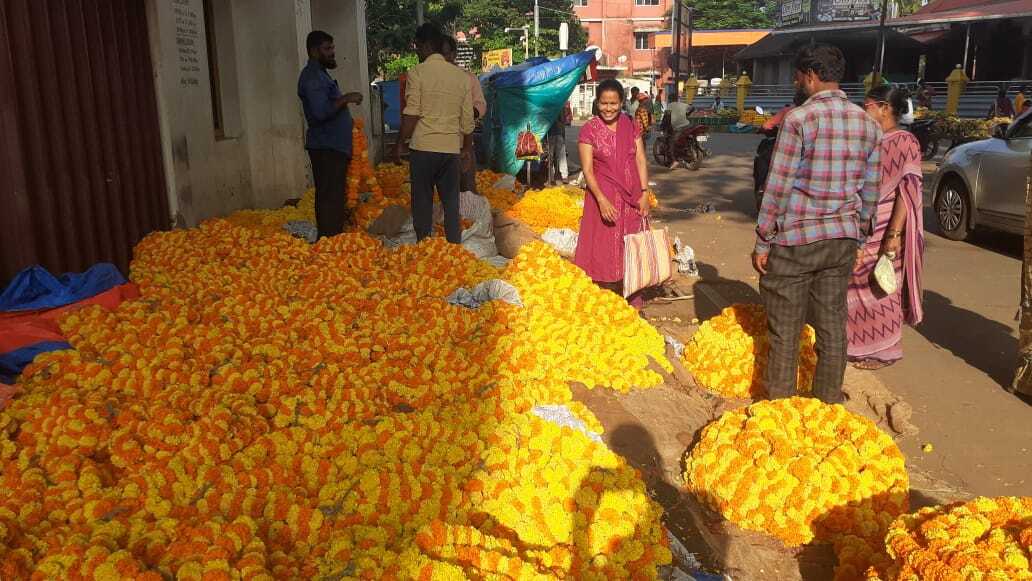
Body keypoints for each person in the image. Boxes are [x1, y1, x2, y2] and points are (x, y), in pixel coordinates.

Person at [751, 44, 882, 404]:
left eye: (797, 76)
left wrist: (763, 241)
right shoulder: (868, 124)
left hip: (797, 239)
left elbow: (778, 186)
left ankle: (780, 412)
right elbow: (871, 191)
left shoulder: (799, 120)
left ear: (810, 75)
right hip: (841, 238)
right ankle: (827, 405)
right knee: (831, 326)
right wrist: (860, 240)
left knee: (785, 331)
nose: (797, 83)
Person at [846, 85, 925, 370]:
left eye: (868, 106)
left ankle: (885, 351)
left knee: (881, 287)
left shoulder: (905, 142)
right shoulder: (869, 139)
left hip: (886, 224)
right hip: (860, 222)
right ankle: (855, 346)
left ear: (885, 108)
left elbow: (907, 194)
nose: (863, 110)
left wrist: (893, 234)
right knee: (853, 286)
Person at [574, 79, 652, 308]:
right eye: (604, 103)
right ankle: (603, 297)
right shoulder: (590, 130)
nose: (609, 108)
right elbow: (588, 170)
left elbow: (640, 159)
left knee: (631, 244)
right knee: (603, 247)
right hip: (603, 195)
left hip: (632, 196)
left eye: (614, 103)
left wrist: (645, 192)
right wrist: (601, 200)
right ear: (597, 103)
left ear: (621, 103)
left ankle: (632, 294)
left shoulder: (630, 125)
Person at [394, 24, 474, 244]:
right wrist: (466, 149)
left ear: (427, 46)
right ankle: (453, 248)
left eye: (418, 47)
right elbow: (467, 120)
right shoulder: (460, 77)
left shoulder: (417, 73)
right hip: (450, 150)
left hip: (423, 149)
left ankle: (424, 247)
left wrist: (400, 143)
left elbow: (412, 113)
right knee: (451, 204)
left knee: (422, 202)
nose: (417, 51)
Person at [297, 30, 363, 239]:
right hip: (326, 147)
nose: (332, 53)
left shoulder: (321, 75)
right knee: (329, 197)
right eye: (327, 49)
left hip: (333, 146)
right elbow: (319, 112)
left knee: (334, 196)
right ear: (314, 51)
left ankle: (333, 241)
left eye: (332, 48)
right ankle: (329, 242)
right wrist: (345, 99)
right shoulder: (312, 77)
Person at [440, 35, 486, 194]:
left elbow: (480, 105)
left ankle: (471, 219)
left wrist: (466, 113)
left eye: (445, 54)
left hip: (463, 145)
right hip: (438, 146)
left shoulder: (468, 78)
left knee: (467, 190)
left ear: (453, 54)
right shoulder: (431, 79)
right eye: (439, 55)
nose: (442, 59)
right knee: (445, 192)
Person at [546, 101, 573, 184]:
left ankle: (553, 177)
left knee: (552, 156)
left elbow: (564, 119)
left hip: (553, 133)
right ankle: (562, 176)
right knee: (560, 155)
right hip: (558, 132)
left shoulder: (548, 106)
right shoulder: (561, 104)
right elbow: (564, 120)